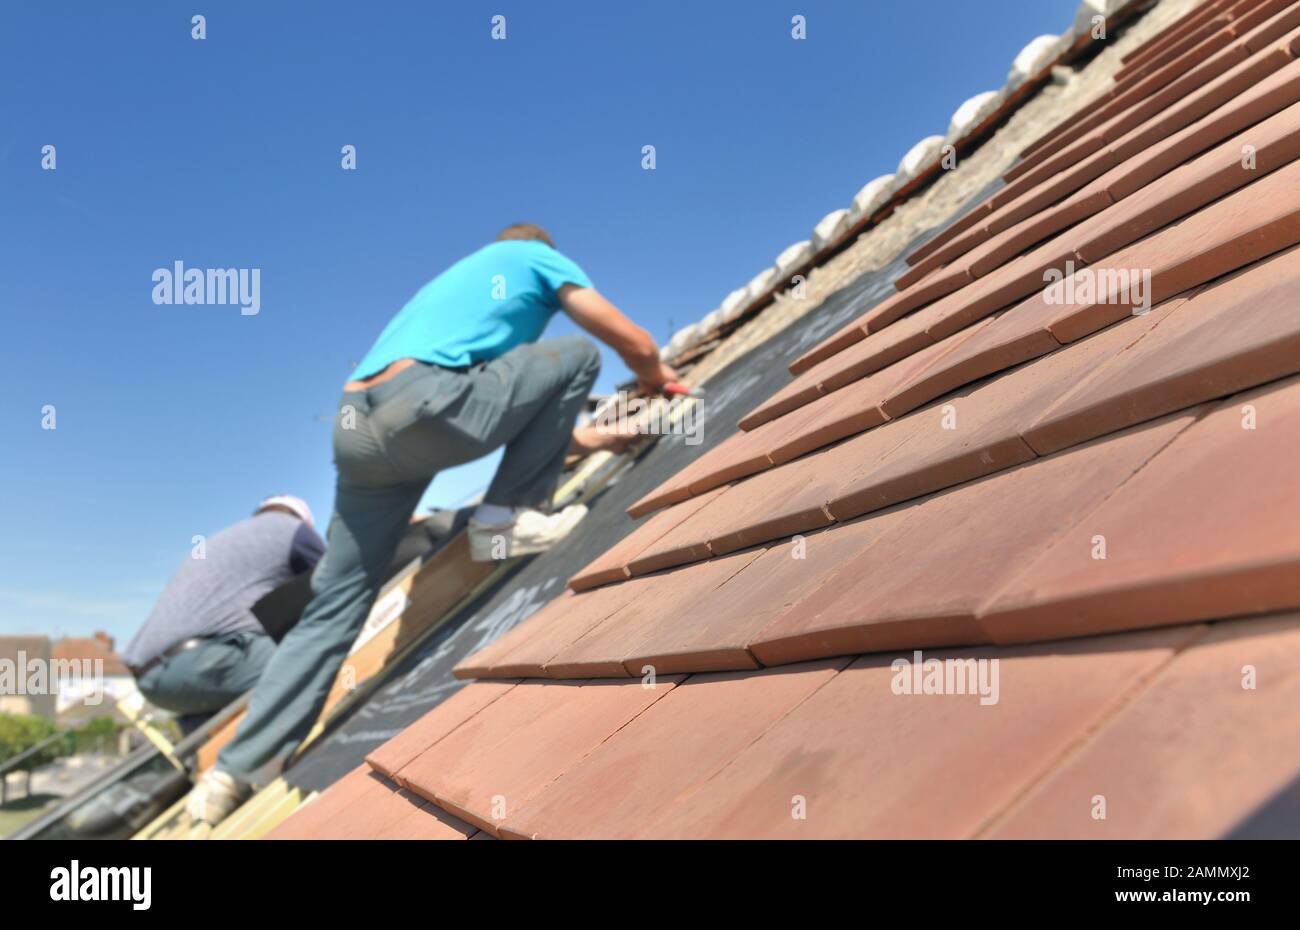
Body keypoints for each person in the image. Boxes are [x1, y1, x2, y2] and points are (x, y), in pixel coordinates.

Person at [185, 223, 676, 823]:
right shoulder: (531, 257)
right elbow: (631, 341)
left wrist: (600, 438)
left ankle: (230, 774)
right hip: (423, 404)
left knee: (334, 606)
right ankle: (505, 522)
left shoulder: (453, 296)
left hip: (359, 425)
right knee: (578, 354)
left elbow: (518, 423)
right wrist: (657, 381)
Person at [122, 496, 325, 735]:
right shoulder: (292, 529)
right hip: (195, 662)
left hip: (152, 679)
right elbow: (340, 579)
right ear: (303, 520)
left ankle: (203, 734)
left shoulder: (226, 540)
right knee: (314, 652)